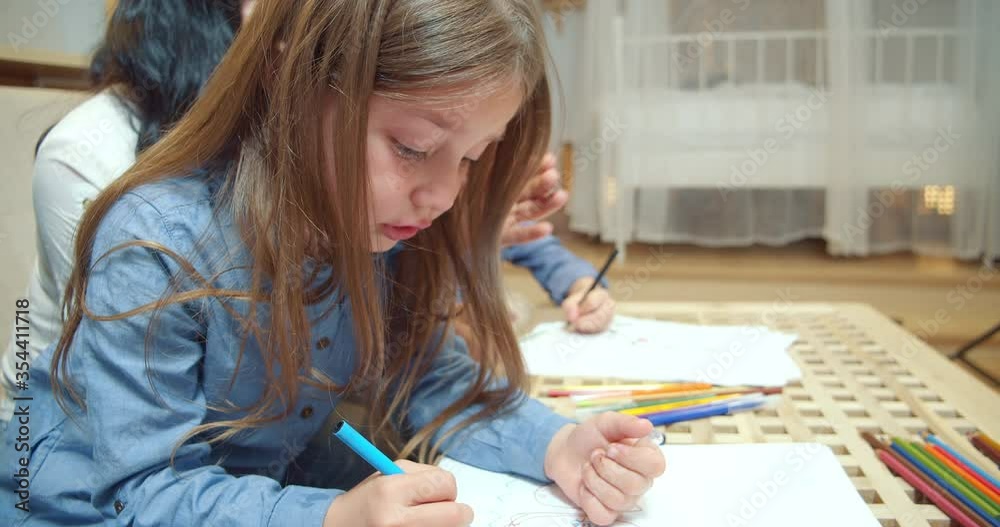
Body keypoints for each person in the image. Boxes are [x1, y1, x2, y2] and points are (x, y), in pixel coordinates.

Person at [0, 1, 664, 526]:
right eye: (411, 146)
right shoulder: (156, 241)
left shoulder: (379, 222)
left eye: (471, 157)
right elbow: (142, 494)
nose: (444, 194)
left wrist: (556, 446)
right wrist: (330, 515)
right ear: (293, 79)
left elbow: (432, 375)